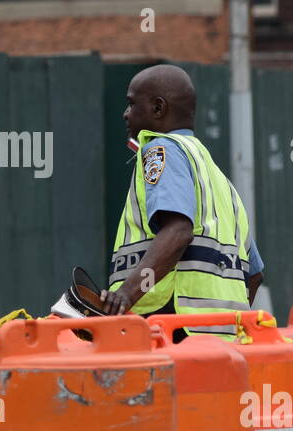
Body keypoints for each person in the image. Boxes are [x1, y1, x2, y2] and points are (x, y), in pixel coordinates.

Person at [100, 64, 265, 332]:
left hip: (172, 333)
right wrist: (222, 327)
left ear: (158, 108)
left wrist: (125, 296)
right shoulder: (216, 176)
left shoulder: (160, 149)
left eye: (131, 104)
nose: (125, 114)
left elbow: (178, 231)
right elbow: (255, 274)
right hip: (223, 346)